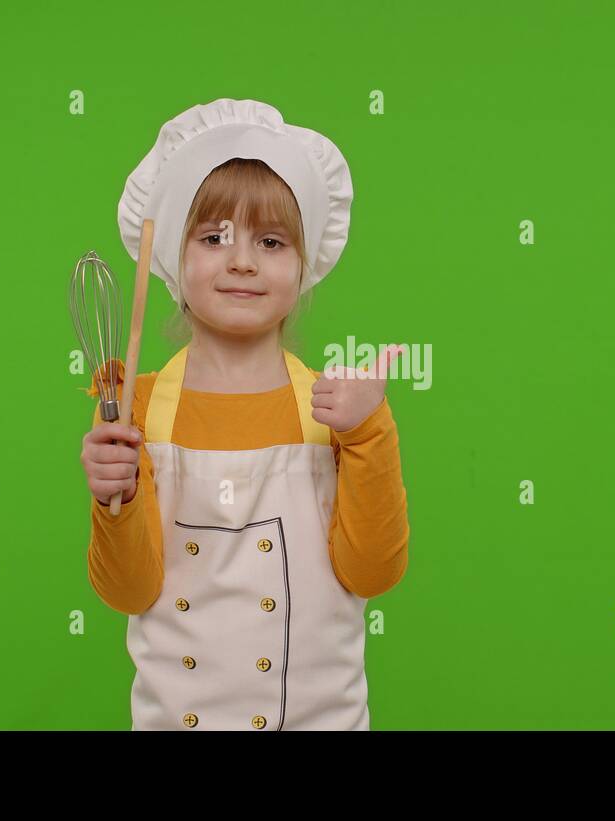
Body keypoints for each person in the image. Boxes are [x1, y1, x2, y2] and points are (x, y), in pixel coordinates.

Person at [79, 98, 409, 730]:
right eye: (213, 237)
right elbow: (129, 591)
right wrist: (110, 498)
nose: (242, 261)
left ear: (303, 265)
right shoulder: (138, 411)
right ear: (173, 257)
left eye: (271, 241)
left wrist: (370, 433)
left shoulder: (336, 411)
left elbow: (373, 571)